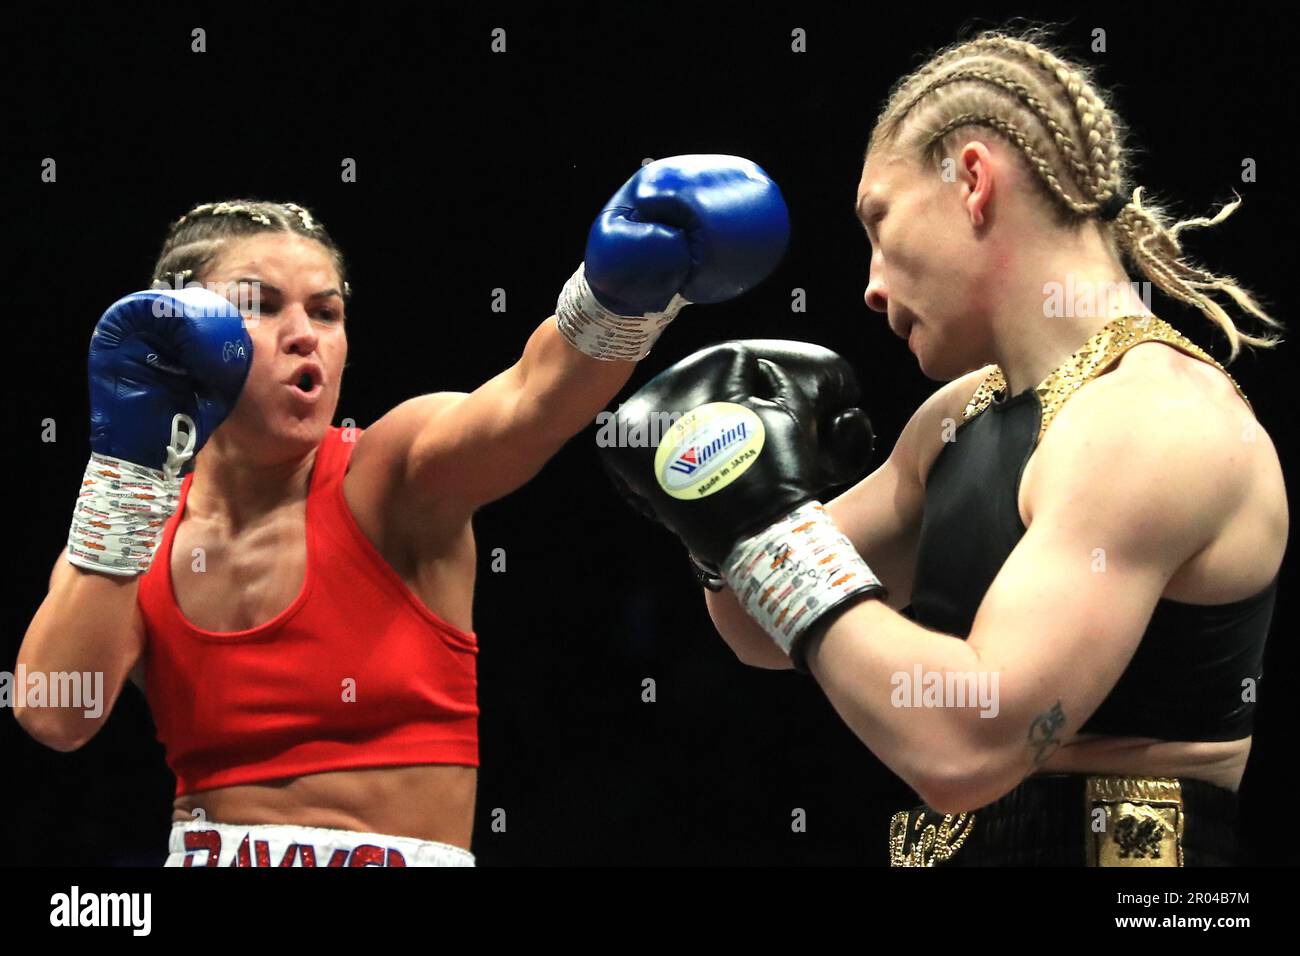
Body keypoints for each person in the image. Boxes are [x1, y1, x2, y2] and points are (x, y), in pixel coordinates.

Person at [601, 27, 1287, 866]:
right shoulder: (959, 417)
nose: (870, 282)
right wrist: (725, 506)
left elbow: (969, 746)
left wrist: (773, 528)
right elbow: (757, 627)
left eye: (879, 222)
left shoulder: (1153, 419)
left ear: (972, 180)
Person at [16, 158, 790, 866]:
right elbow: (58, 713)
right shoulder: (132, 527)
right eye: (261, 308)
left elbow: (529, 400)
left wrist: (621, 296)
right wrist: (126, 467)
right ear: (174, 332)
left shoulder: (391, 475)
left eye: (325, 312)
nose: (302, 338)